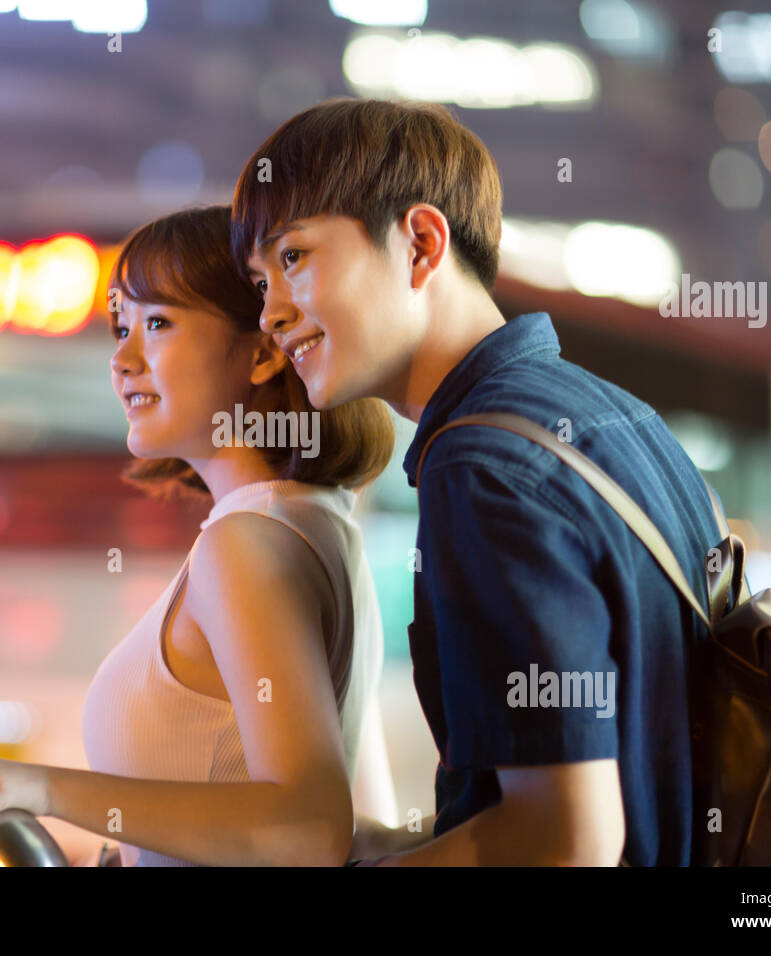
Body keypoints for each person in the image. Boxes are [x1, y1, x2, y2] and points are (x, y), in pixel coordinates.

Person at [231, 98, 725, 866]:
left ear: (421, 245)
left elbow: (566, 839)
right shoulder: (609, 414)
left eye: (292, 257)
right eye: (260, 282)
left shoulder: (484, 468)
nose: (271, 313)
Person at [0, 205, 397, 866]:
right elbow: (366, 824)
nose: (122, 360)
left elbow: (311, 828)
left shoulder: (247, 543)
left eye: (158, 324)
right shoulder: (316, 521)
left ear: (259, 351)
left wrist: (37, 785)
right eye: (120, 327)